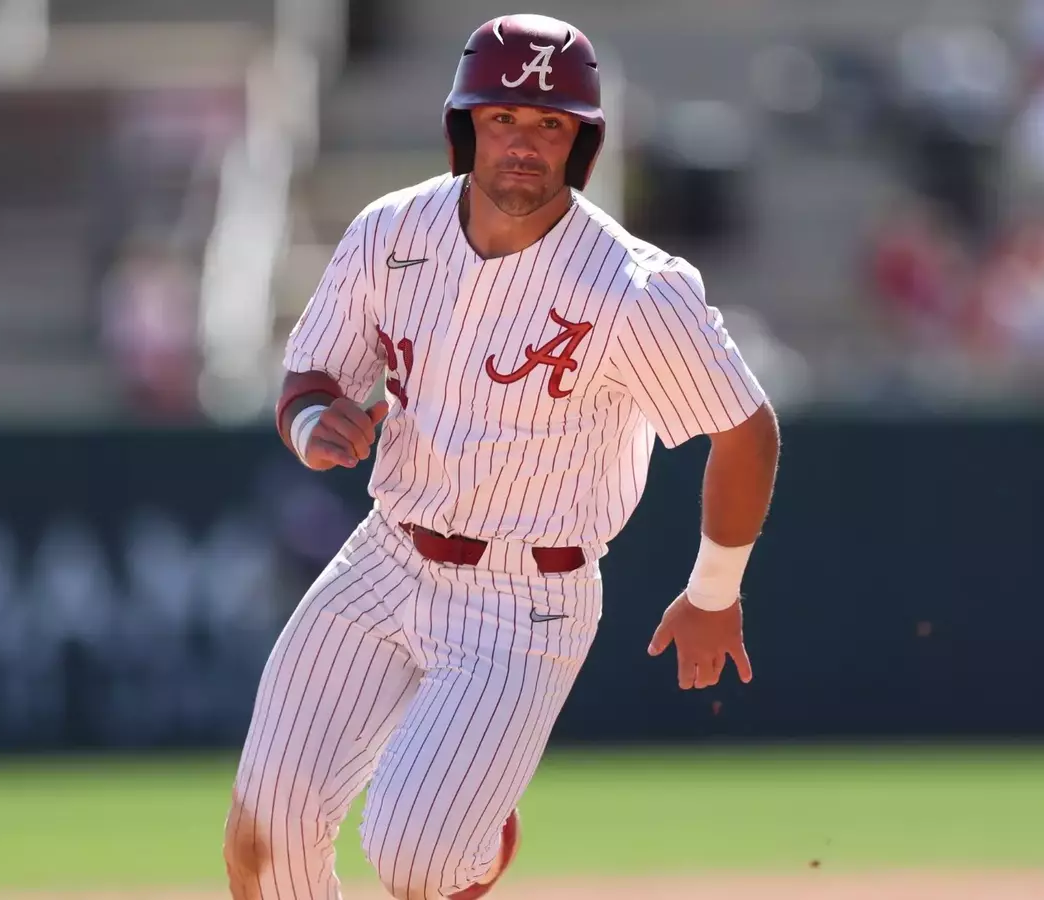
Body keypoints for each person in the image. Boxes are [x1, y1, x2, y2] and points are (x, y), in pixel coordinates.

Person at [224, 15, 781, 900]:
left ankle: (473, 837)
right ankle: (453, 811)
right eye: (503, 118)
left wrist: (715, 591)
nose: (523, 143)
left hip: (527, 600)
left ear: (582, 142)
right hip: (387, 553)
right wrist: (311, 421)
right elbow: (311, 373)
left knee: (414, 859)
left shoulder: (634, 289)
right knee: (264, 835)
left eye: (549, 124)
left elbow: (745, 428)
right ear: (465, 125)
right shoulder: (390, 233)